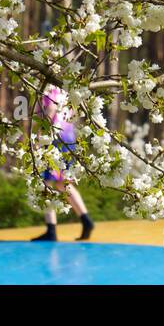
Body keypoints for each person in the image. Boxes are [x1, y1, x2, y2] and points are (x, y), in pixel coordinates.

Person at [32, 86, 95, 242]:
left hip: (55, 138)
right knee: (62, 183)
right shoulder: (64, 91)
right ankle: (86, 220)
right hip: (68, 136)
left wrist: (39, 136)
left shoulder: (49, 92)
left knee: (46, 183)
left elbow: (50, 111)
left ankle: (51, 230)